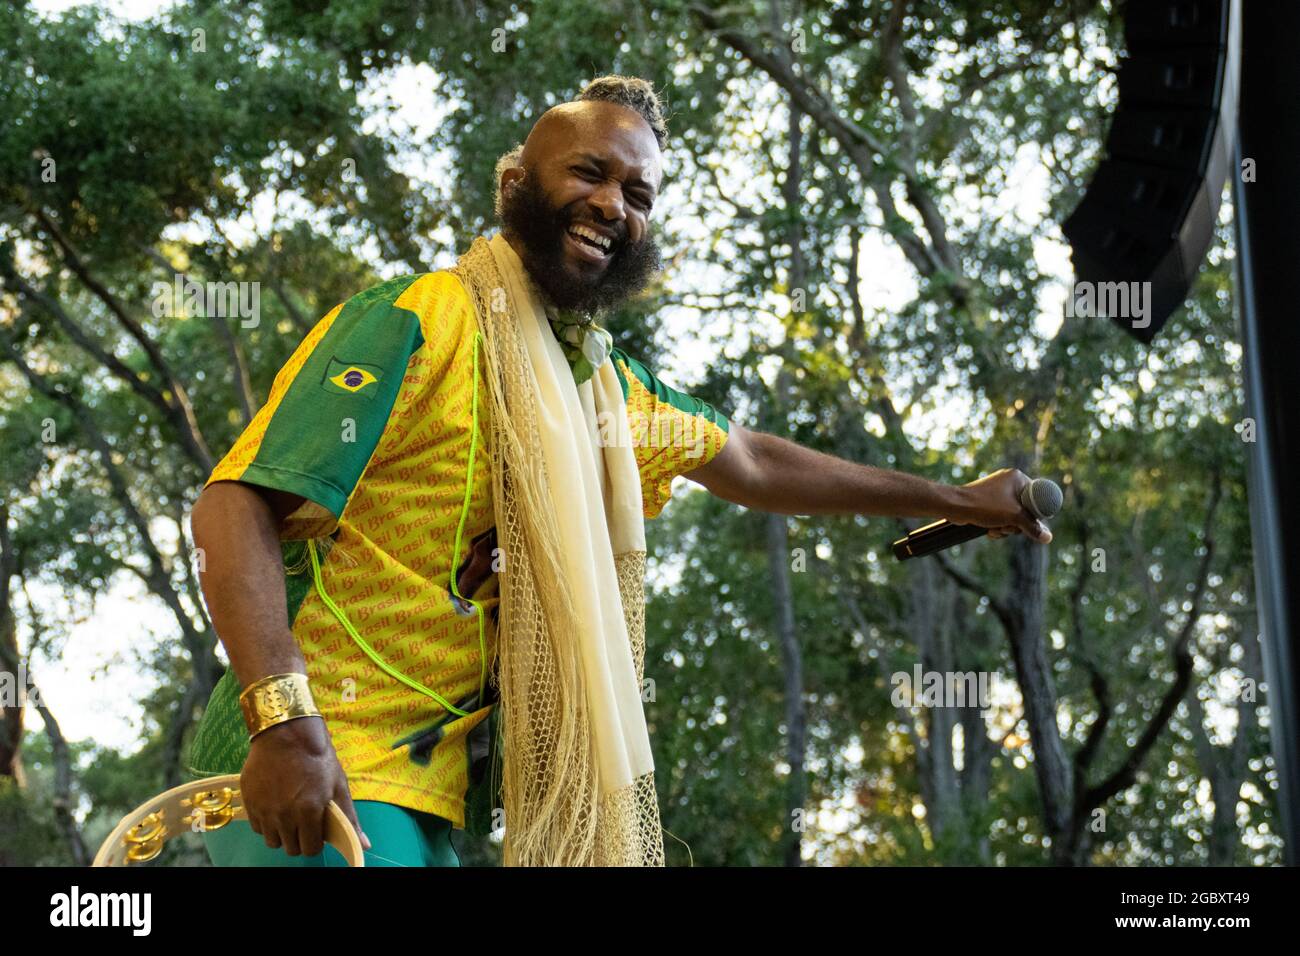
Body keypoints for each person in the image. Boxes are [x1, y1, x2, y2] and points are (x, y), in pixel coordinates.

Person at [188, 74, 1052, 868]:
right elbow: (235, 508)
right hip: (308, 763)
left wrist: (954, 498)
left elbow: (748, 460)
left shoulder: (603, 384)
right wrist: (286, 725)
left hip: (425, 793)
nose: (612, 204)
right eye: (589, 173)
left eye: (638, 194)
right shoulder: (416, 321)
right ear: (516, 185)